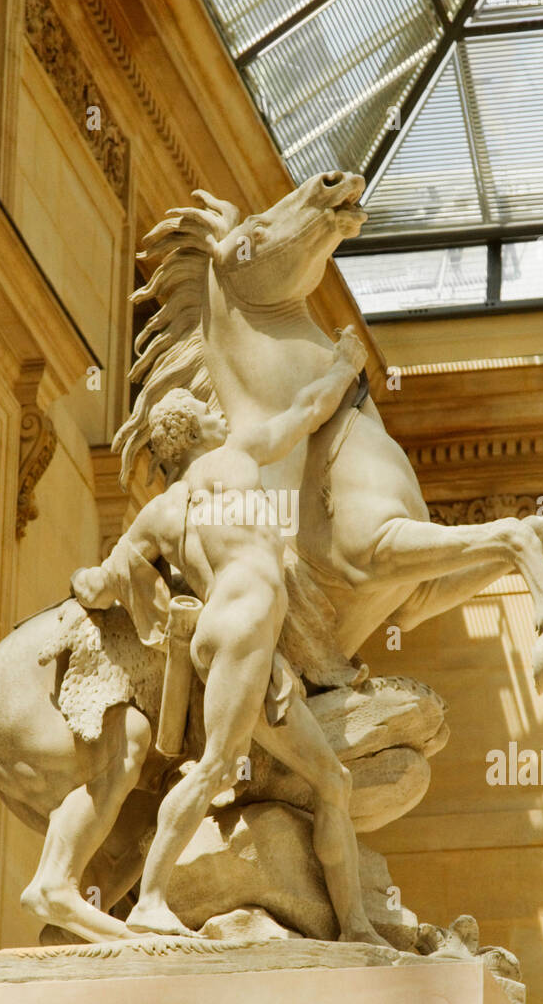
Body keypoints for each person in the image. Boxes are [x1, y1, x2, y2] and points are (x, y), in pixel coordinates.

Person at [71, 325, 384, 944]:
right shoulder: (234, 455)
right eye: (210, 418)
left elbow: (104, 582)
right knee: (216, 765)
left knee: (333, 780)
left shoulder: (158, 513)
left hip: (241, 640)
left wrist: (86, 578)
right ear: (196, 434)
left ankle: (356, 928)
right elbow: (306, 411)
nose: (222, 420)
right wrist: (346, 365)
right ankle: (150, 902)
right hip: (242, 626)